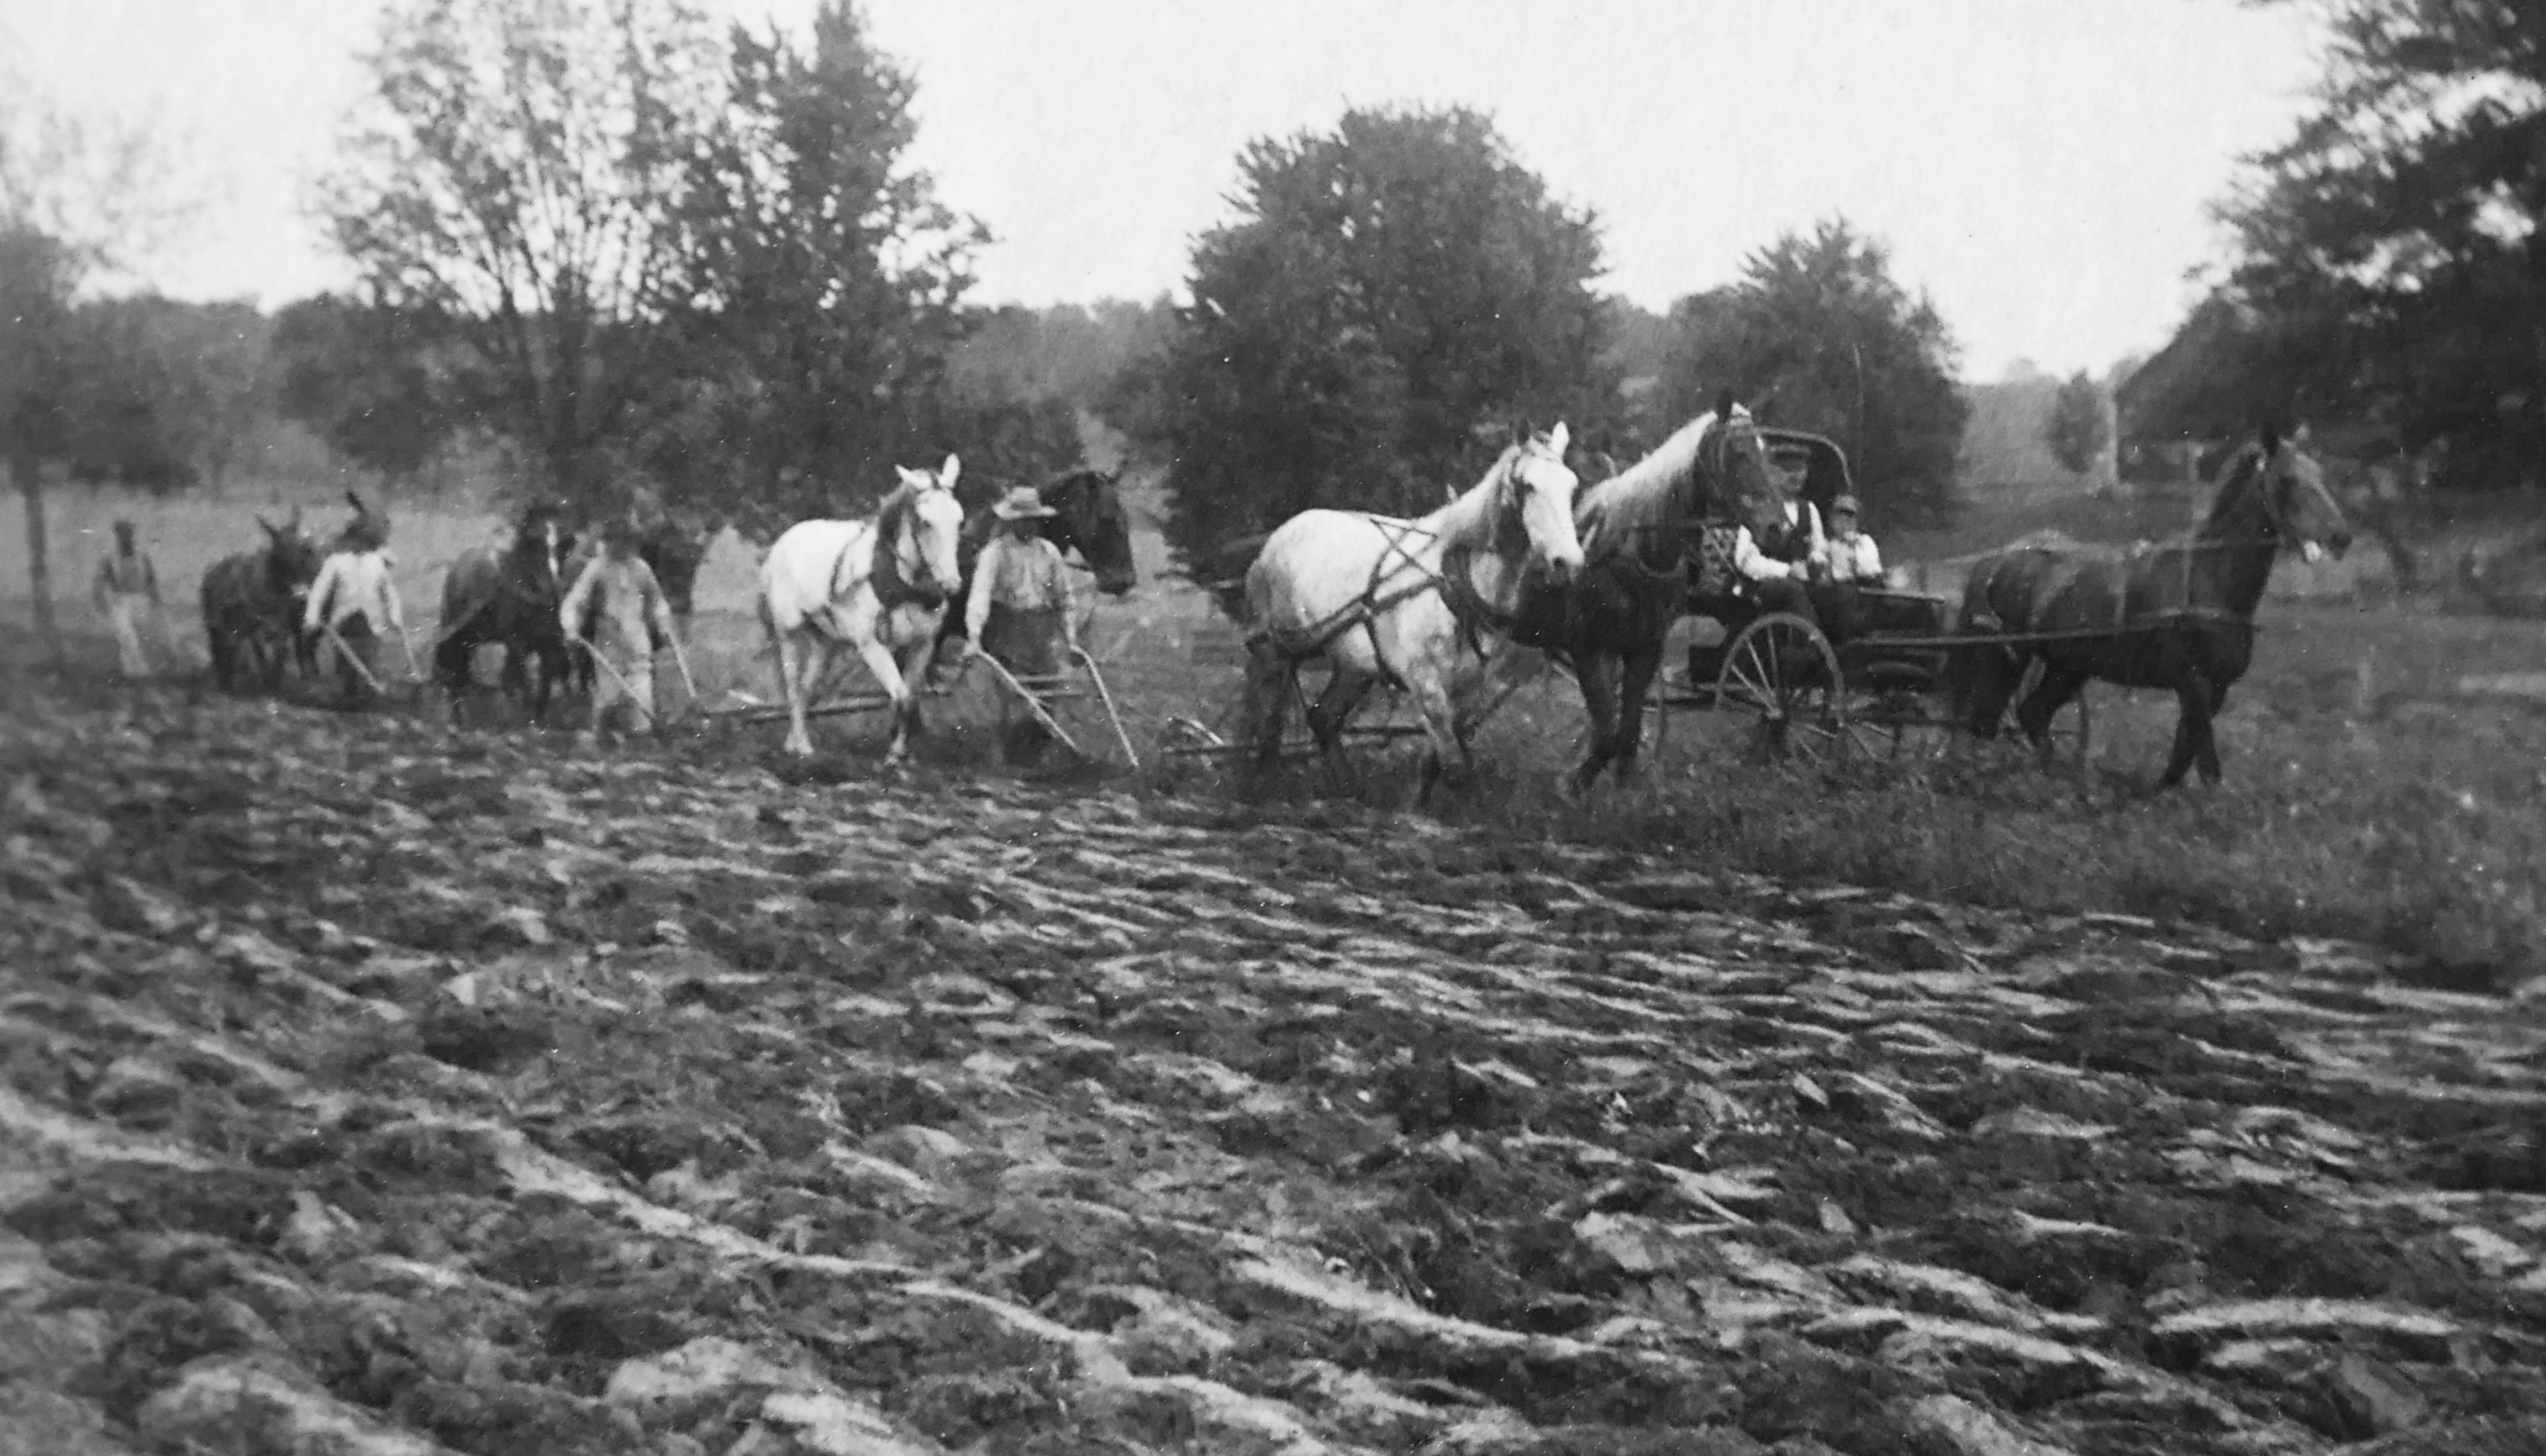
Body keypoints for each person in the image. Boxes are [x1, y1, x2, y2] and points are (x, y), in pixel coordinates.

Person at [964, 485, 1082, 763]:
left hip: (1040, 630)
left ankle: (1036, 756)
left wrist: (1071, 640)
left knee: (1049, 693)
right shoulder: (995, 552)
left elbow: (1065, 598)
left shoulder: (1049, 552)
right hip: (1008, 629)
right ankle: (1007, 757)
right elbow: (979, 596)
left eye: (1032, 520)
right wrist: (974, 636)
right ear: (1011, 522)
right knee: (1015, 698)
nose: (1027, 525)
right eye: (1021, 521)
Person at [558, 514, 679, 741]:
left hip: (637, 641)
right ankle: (602, 740)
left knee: (641, 701)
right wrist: (571, 625)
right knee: (608, 699)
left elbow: (657, 600)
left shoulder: (642, 569)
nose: (624, 547)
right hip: (609, 644)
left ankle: (641, 742)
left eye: (629, 542)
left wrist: (663, 623)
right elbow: (575, 601)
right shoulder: (597, 568)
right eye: (619, 541)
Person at [303, 516, 406, 708]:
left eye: (363, 541)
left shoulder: (377, 563)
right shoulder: (335, 562)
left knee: (370, 661)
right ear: (350, 541)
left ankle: (368, 700)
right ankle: (347, 699)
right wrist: (312, 616)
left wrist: (395, 616)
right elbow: (319, 590)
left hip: (371, 623)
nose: (359, 544)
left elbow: (389, 593)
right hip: (344, 623)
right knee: (346, 667)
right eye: (356, 540)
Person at [92, 520, 163, 681]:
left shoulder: (142, 557)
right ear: (117, 537)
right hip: (121, 602)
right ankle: (136, 673)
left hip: (141, 600)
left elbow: (152, 580)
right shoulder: (110, 559)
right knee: (126, 635)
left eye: (128, 534)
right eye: (122, 535)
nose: (126, 539)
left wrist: (155, 599)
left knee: (140, 637)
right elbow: (100, 581)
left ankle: (135, 675)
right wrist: (99, 601)